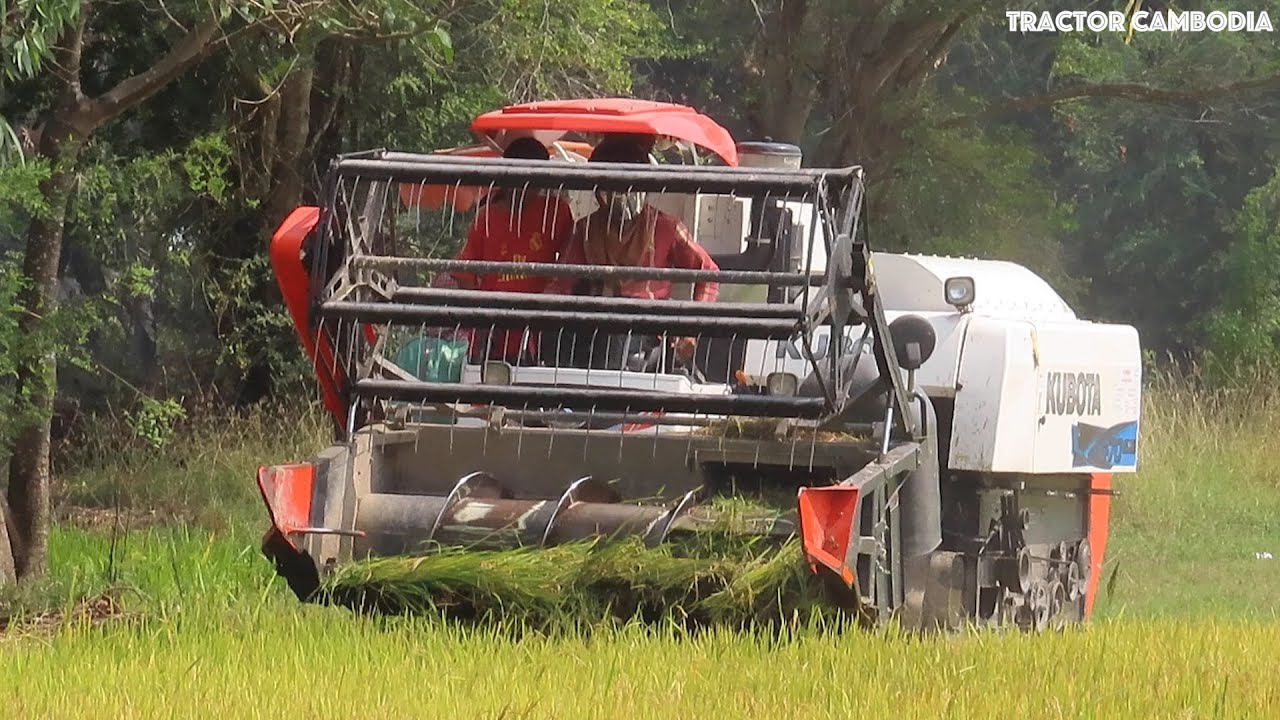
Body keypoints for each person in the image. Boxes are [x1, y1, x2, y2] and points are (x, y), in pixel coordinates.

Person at [545, 134, 719, 369]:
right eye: (610, 189)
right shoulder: (586, 229)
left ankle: (601, 402)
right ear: (598, 191)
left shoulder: (665, 227)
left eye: (627, 189)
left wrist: (691, 328)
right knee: (557, 337)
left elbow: (709, 274)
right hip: (594, 317)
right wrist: (545, 310)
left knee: (614, 335)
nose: (619, 198)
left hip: (645, 327)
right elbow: (562, 282)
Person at [446, 137, 575, 363]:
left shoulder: (557, 212)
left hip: (538, 328)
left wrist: (553, 294)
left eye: (533, 180)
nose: (526, 188)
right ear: (506, 176)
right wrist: (481, 311)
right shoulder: (486, 217)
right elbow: (465, 274)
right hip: (493, 330)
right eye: (520, 178)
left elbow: (569, 260)